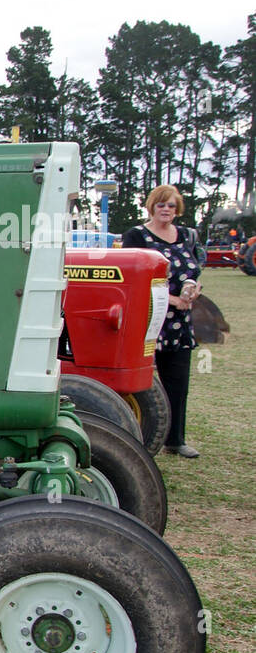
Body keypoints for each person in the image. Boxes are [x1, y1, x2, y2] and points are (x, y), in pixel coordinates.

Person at [122, 184, 202, 458]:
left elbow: (194, 269)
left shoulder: (188, 236)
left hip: (179, 323)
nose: (166, 209)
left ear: (177, 208)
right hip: (148, 318)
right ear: (152, 207)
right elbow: (135, 278)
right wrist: (172, 300)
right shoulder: (137, 235)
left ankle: (176, 439)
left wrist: (193, 289)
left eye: (171, 205)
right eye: (161, 204)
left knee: (178, 381)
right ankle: (135, 436)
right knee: (140, 381)